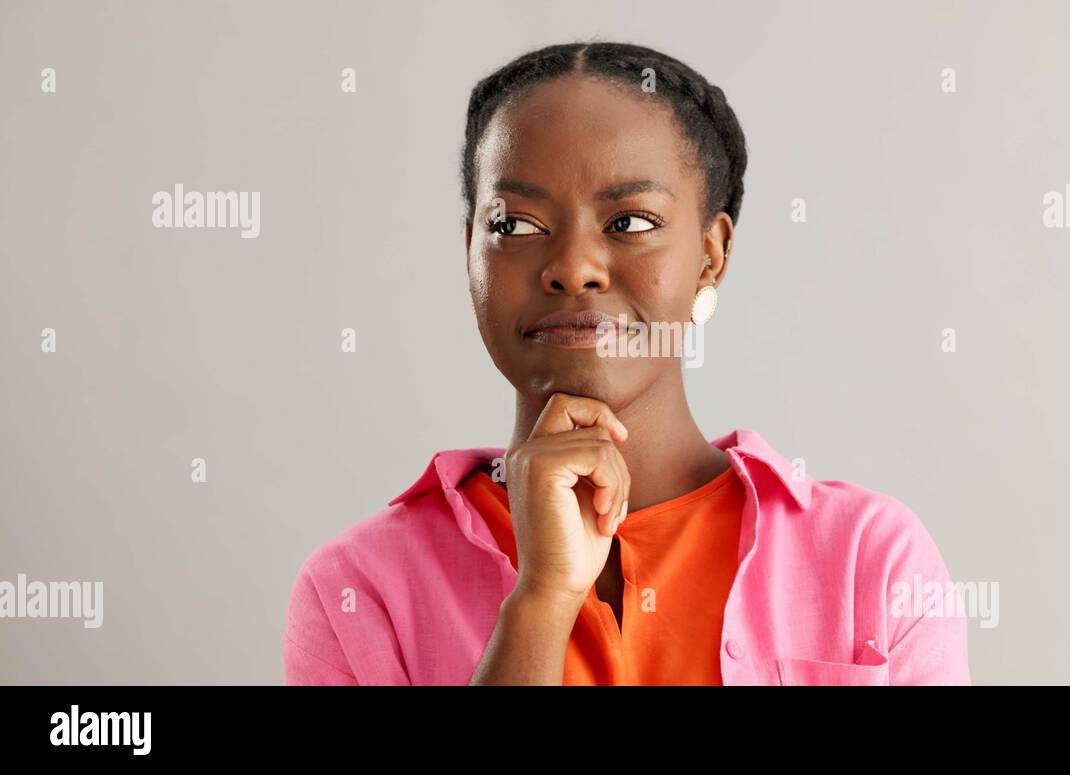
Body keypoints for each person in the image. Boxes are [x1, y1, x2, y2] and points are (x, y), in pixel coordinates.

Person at [283, 40, 970, 685]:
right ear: (471, 255)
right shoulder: (358, 589)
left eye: (631, 223)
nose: (573, 267)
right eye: (514, 225)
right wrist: (541, 600)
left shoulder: (868, 562)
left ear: (711, 255)